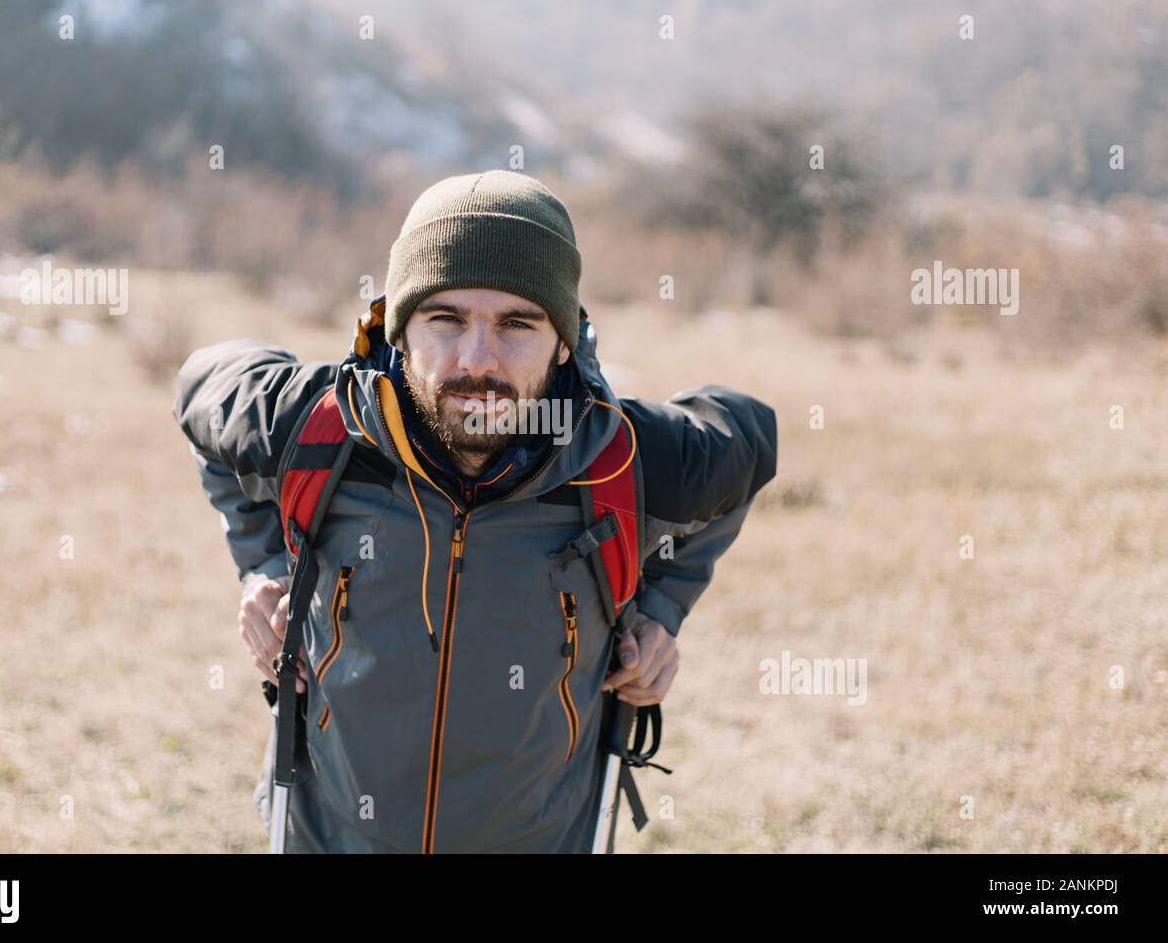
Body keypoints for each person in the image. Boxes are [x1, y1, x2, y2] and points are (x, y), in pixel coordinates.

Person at [173, 169, 777, 853]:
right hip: (332, 834)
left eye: (518, 322)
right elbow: (203, 386)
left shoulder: (621, 457)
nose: (477, 360)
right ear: (399, 331)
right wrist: (261, 569)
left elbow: (750, 438)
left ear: (564, 340)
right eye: (445, 319)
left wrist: (660, 611)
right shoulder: (319, 426)